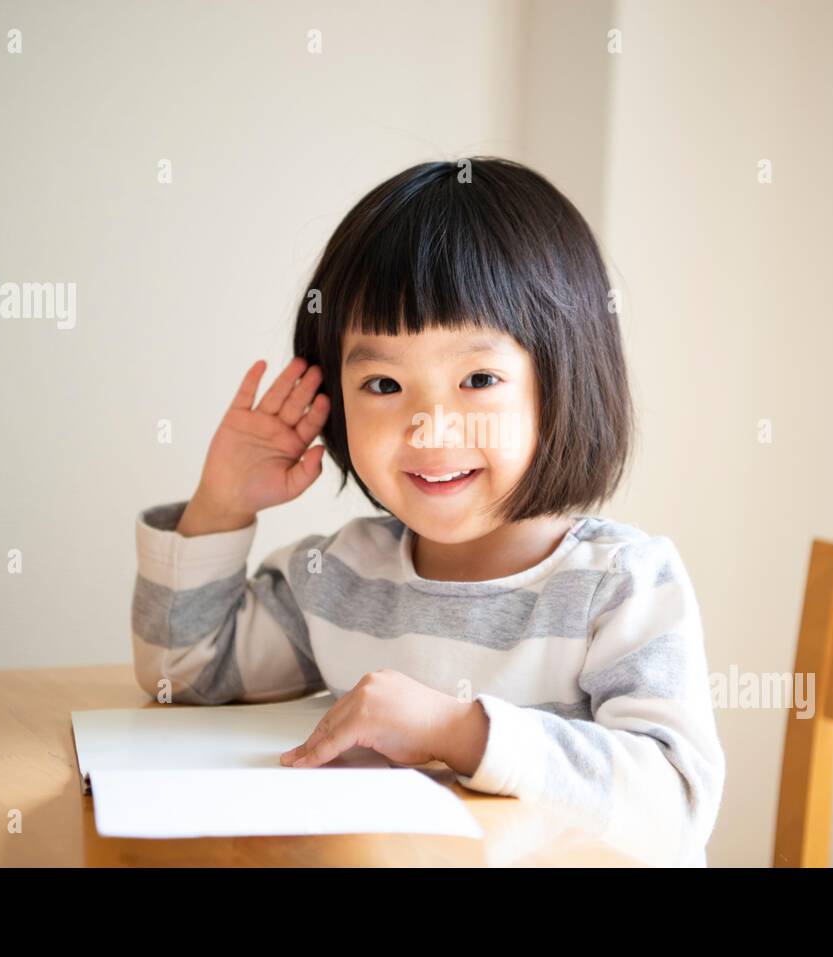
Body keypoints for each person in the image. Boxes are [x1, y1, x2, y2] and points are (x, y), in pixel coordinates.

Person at [131, 157, 725, 866]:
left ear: (565, 382)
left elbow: (675, 807)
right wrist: (221, 504)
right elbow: (186, 667)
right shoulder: (342, 577)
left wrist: (459, 730)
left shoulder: (620, 586)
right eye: (384, 382)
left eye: (478, 378)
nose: (429, 427)